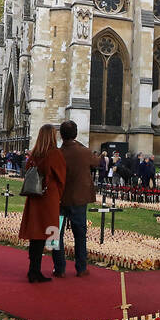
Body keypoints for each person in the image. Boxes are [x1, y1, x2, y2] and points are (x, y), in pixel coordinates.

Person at [19, 124, 67, 283]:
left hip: (35, 197)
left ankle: (33, 269)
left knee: (36, 234)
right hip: (49, 197)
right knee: (49, 232)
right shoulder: (54, 153)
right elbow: (61, 177)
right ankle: (43, 269)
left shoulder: (35, 154)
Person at [54, 119, 100, 278]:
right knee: (80, 234)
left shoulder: (57, 153)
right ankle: (81, 268)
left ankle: (59, 268)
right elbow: (97, 162)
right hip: (78, 199)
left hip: (58, 199)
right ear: (75, 134)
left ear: (61, 135)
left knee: (55, 233)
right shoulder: (84, 152)